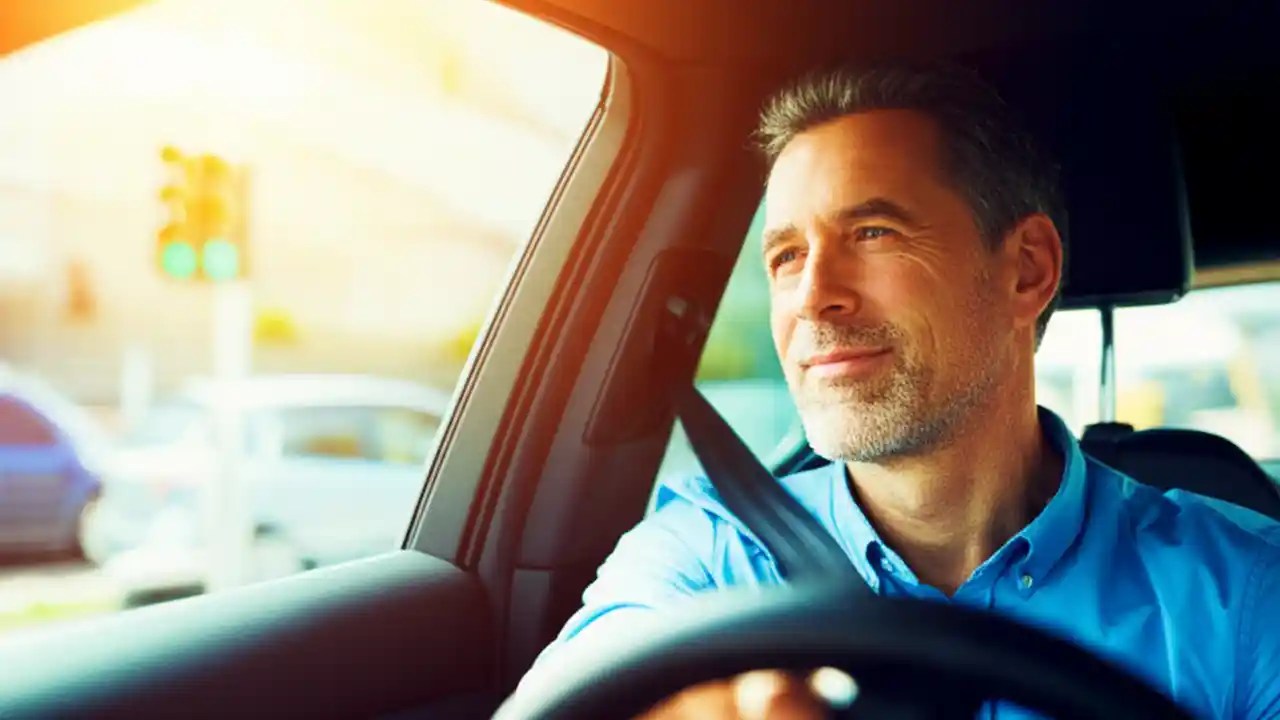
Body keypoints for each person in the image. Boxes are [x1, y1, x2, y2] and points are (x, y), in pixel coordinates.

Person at [518, 64, 1280, 719]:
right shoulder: (703, 562)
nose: (814, 297)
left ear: (1027, 270)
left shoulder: (1246, 590)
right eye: (785, 255)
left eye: (872, 233)